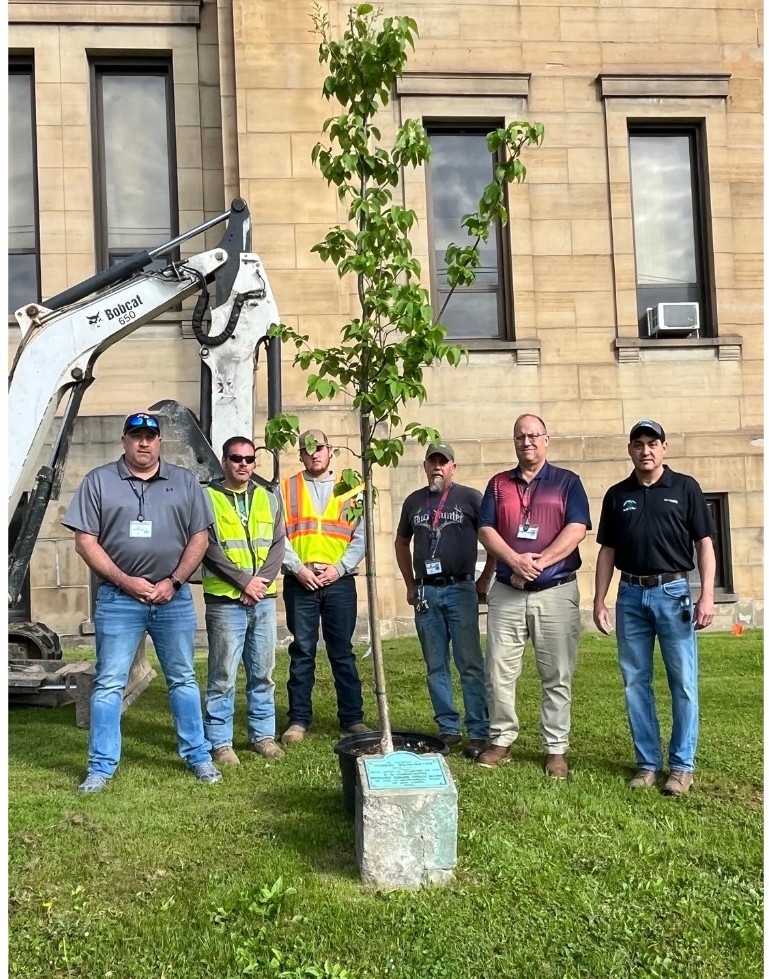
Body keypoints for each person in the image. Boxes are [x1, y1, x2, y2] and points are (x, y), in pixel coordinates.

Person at [61, 411, 221, 792]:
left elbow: (200, 537)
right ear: (124, 441)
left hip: (174, 598)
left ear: (160, 441)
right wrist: (124, 580)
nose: (143, 443)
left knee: (182, 678)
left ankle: (198, 757)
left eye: (150, 436)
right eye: (136, 436)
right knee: (108, 683)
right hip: (118, 599)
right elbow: (85, 540)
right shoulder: (99, 481)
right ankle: (100, 767)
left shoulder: (183, 481)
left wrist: (175, 580)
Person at [593, 419, 716, 796]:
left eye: (652, 443)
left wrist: (707, 594)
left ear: (664, 448)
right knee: (635, 682)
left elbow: (705, 544)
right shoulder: (617, 495)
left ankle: (681, 767)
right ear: (630, 449)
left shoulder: (685, 488)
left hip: (673, 592)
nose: (645, 450)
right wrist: (600, 599)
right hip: (631, 596)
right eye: (638, 443)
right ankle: (647, 764)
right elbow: (607, 551)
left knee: (683, 682)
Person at [475, 414, 591, 778]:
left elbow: (577, 529)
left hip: (555, 591)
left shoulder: (567, 482)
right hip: (508, 593)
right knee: (498, 670)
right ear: (514, 442)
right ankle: (501, 739)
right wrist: (513, 560)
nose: (527, 442)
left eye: (533, 436)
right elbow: (485, 529)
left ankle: (555, 748)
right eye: (520, 437)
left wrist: (540, 562)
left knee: (556, 673)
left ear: (547, 440)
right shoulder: (497, 485)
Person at [394, 442, 494, 759]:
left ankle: (478, 732)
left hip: (460, 588)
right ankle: (448, 729)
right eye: (432, 461)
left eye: (443, 462)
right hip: (426, 592)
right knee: (436, 665)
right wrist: (410, 584)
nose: (437, 467)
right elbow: (401, 542)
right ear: (425, 466)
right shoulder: (414, 502)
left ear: (453, 466)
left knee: (469, 664)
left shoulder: (470, 498)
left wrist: (484, 579)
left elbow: (492, 538)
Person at [279, 429, 370, 743]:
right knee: (302, 652)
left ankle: (352, 719)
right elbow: (280, 537)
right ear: (300, 455)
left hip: (339, 582)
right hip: (299, 582)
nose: (314, 454)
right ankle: (299, 720)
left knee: (342, 652)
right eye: (308, 450)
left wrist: (339, 568)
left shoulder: (349, 488)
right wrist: (298, 569)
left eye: (319, 448)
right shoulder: (286, 489)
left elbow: (362, 536)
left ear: (330, 451)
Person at [201, 436, 286, 764]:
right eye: (236, 458)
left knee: (263, 671)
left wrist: (260, 583)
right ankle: (220, 741)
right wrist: (243, 582)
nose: (243, 464)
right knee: (222, 674)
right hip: (225, 602)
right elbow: (207, 547)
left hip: (263, 599)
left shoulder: (268, 497)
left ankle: (262, 735)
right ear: (224, 461)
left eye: (249, 459)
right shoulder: (206, 497)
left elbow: (278, 543)